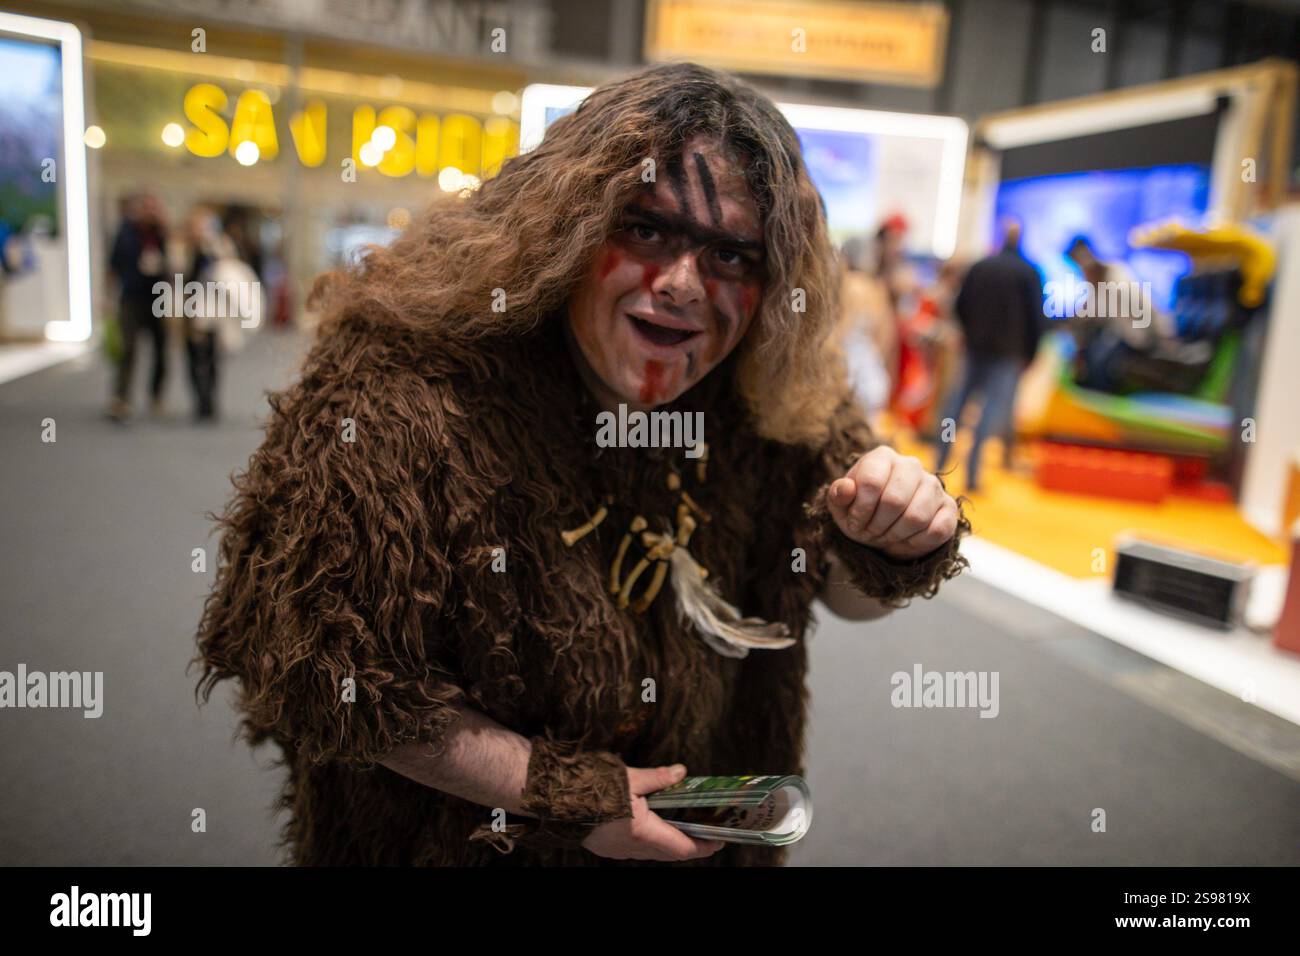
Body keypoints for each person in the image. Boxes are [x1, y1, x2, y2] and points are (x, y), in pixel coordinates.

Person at [194, 63, 969, 867]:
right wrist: (560, 794)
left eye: (731, 256)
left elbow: (845, 594)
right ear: (568, 223)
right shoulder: (404, 381)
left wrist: (893, 536)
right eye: (644, 229)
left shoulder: (776, 387)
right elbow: (320, 666)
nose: (681, 286)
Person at [935, 219, 1043, 492]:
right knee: (987, 417)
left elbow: (960, 305)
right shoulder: (1029, 272)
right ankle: (972, 476)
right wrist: (1029, 355)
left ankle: (939, 465)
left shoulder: (981, 266)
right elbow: (1036, 319)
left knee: (954, 412)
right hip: (1007, 355)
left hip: (974, 350)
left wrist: (970, 333)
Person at [107, 191, 169, 422]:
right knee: (127, 349)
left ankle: (156, 396)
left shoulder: (162, 233)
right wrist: (108, 298)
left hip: (158, 300)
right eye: (147, 206)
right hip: (131, 297)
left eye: (154, 207)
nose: (150, 211)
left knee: (161, 351)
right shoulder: (126, 233)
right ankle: (121, 398)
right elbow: (113, 265)